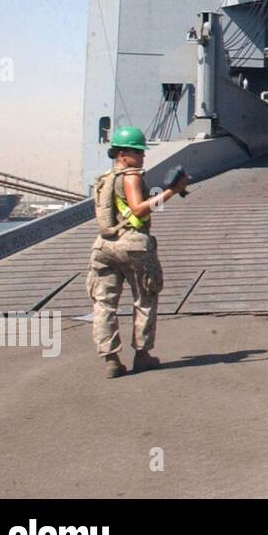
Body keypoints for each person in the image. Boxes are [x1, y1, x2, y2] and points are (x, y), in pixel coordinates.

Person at [88, 126, 190, 378]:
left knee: (104, 304)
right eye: (137, 152)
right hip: (133, 246)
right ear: (122, 155)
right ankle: (142, 355)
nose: (143, 156)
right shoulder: (131, 176)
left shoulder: (104, 179)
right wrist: (171, 192)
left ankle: (111, 359)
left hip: (104, 246)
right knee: (145, 298)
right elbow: (139, 210)